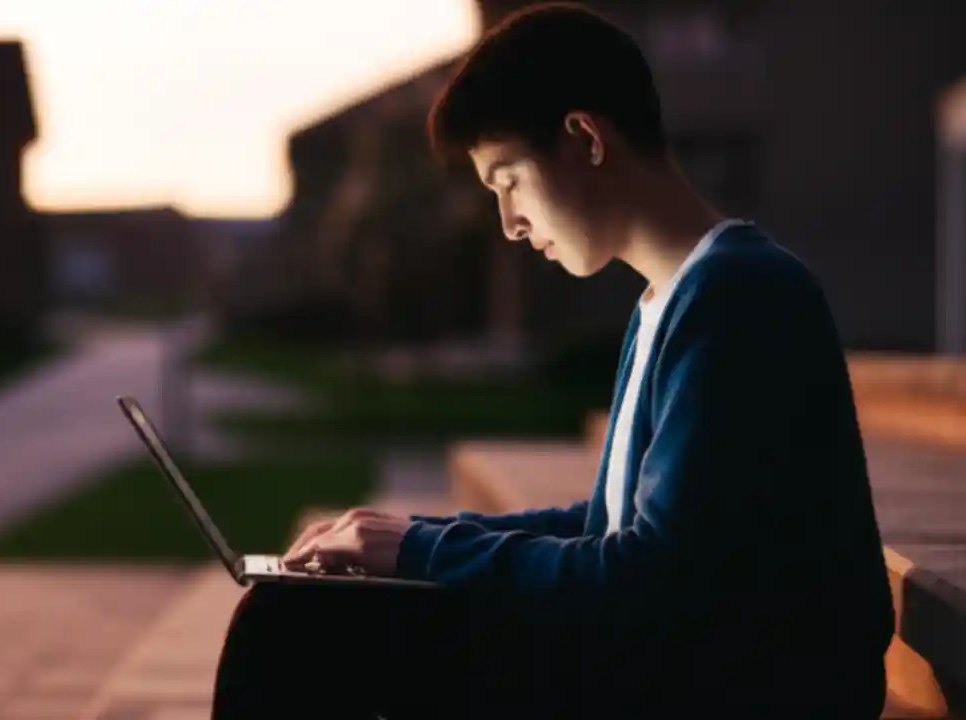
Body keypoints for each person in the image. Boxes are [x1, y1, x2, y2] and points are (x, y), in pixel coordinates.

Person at [212, 3, 895, 717]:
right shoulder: (672, 299)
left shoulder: (740, 295)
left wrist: (419, 553)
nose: (509, 224)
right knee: (311, 610)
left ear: (583, 140)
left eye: (508, 180)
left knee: (297, 628)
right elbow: (609, 525)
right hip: (679, 659)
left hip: (747, 688)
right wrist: (413, 538)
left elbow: (651, 580)